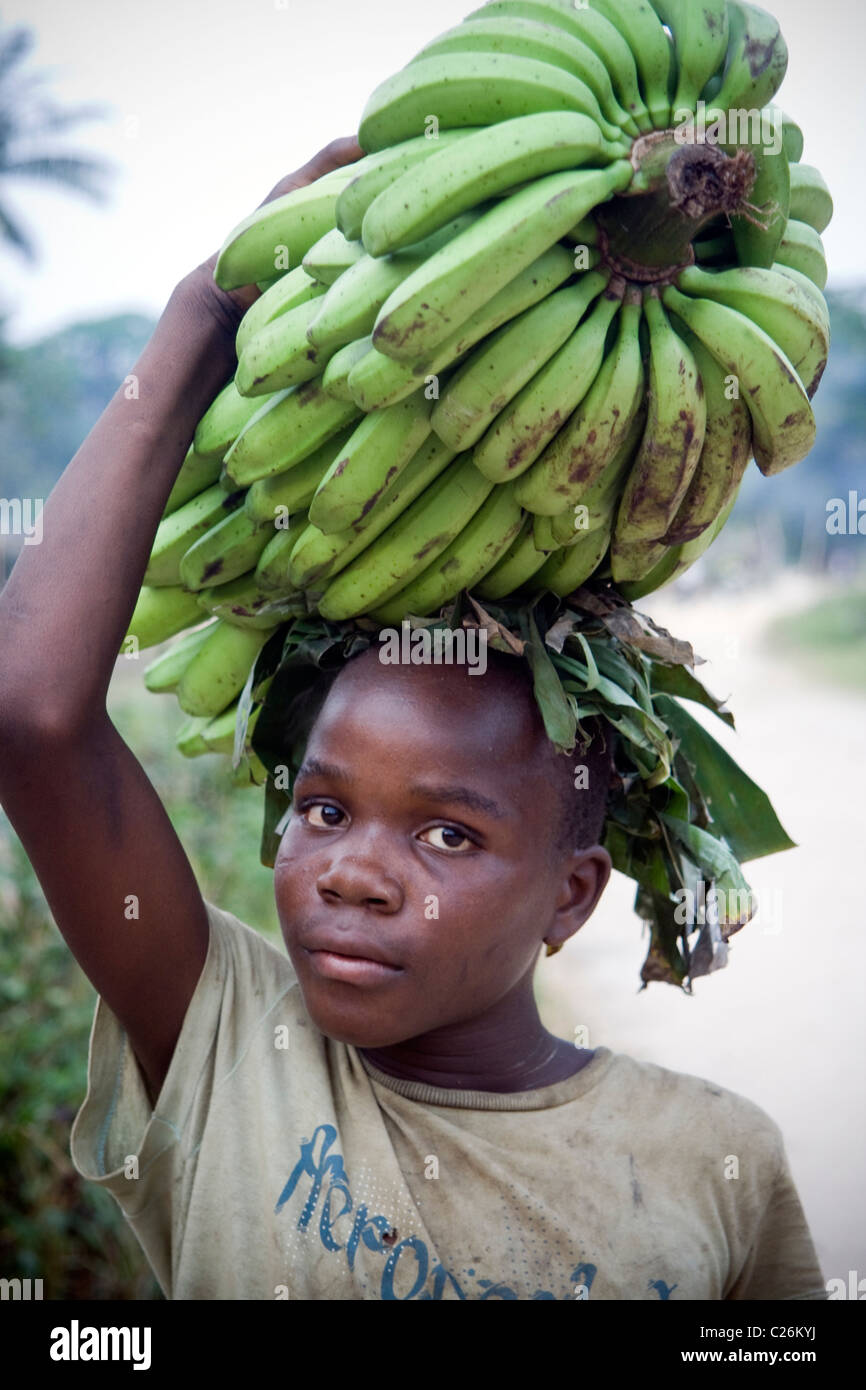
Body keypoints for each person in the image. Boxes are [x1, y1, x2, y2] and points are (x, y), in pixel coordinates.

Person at [0, 138, 827, 1303]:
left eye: (445, 835)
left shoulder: (710, 1163)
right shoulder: (225, 1037)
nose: (352, 875)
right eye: (324, 808)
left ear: (570, 894)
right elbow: (33, 720)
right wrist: (203, 314)